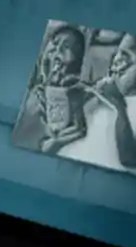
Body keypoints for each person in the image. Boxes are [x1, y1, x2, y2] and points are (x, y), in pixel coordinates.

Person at [57, 34, 136, 174]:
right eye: (117, 54)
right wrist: (77, 97)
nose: (116, 61)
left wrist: (118, 105)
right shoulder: (102, 92)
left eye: (125, 55)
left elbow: (131, 159)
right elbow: (75, 129)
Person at [12, 24, 88, 152]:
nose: (57, 50)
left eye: (67, 47)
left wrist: (55, 143)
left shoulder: (74, 95)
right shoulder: (29, 83)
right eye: (55, 43)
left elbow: (77, 129)